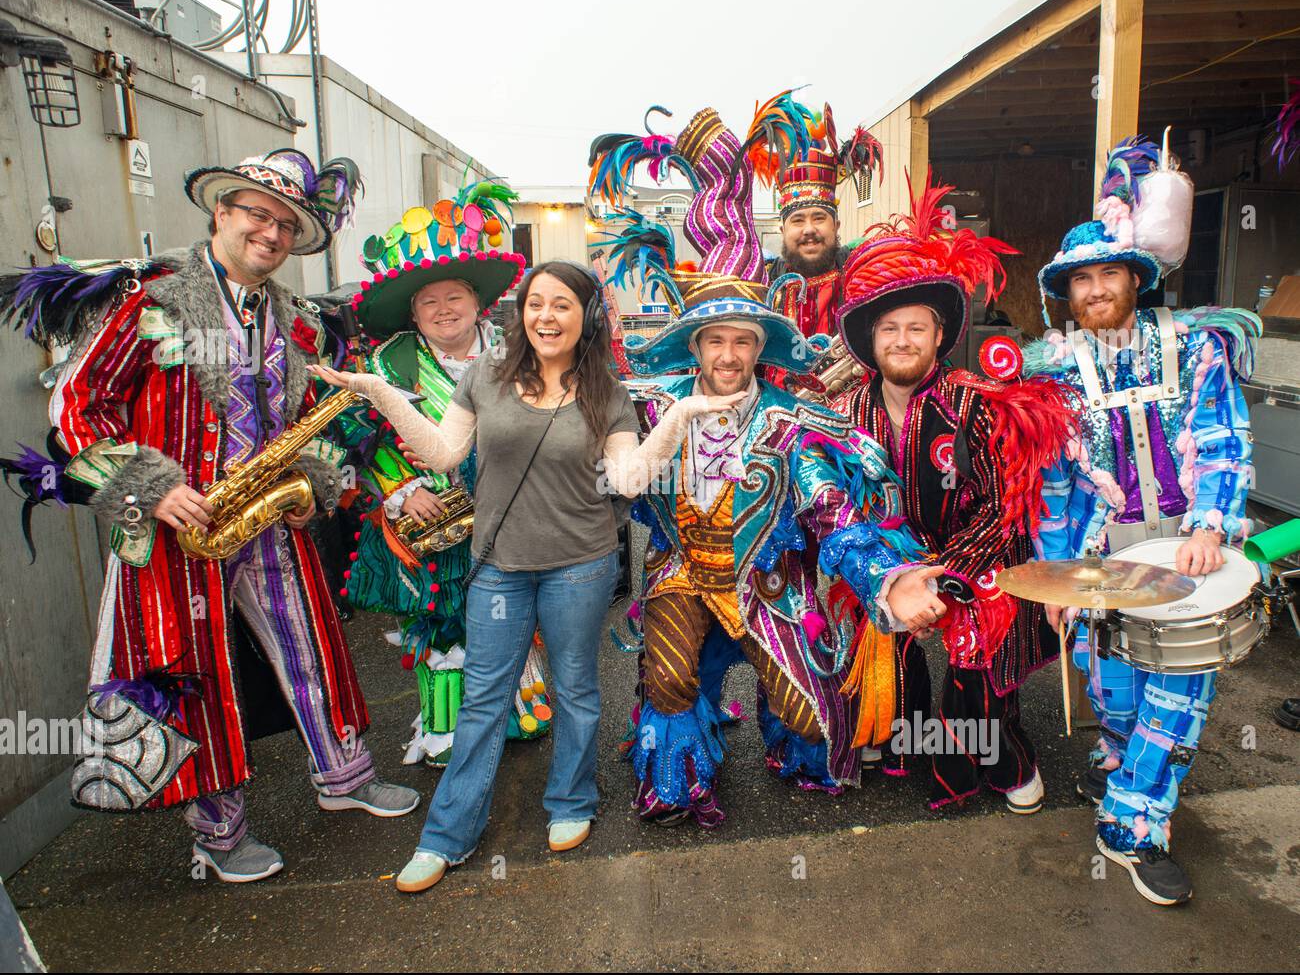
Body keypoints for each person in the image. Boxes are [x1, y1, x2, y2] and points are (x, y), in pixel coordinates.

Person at [0, 149, 419, 884]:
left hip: (268, 513)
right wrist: (152, 488)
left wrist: (312, 483)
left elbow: (311, 421)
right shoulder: (149, 297)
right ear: (221, 210)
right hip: (175, 527)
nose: (271, 232)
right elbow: (75, 403)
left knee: (312, 644)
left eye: (286, 223)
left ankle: (346, 778)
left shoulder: (297, 321)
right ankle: (218, 834)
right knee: (193, 669)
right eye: (257, 213)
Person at [311, 259, 750, 892]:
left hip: (581, 566)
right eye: (537, 303)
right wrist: (378, 393)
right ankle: (445, 835)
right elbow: (442, 453)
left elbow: (626, 481)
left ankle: (571, 801)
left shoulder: (606, 391)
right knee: (483, 700)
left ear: (584, 318)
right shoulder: (486, 379)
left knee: (575, 688)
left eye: (563, 305)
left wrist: (679, 419)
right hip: (498, 569)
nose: (548, 316)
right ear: (520, 314)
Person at [586, 100, 940, 825]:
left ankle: (791, 741)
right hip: (682, 572)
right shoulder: (651, 408)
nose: (727, 355)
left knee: (809, 716)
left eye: (741, 340)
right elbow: (607, 479)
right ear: (693, 347)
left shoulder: (793, 421)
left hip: (769, 581)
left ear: (760, 348)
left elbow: (837, 517)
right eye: (713, 340)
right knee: (672, 681)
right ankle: (680, 777)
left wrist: (886, 582)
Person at [1027, 137, 1260, 905]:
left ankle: (1133, 828)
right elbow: (1056, 484)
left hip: (1189, 552)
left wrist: (1209, 527)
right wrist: (1058, 579)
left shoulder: (1195, 347)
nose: (1096, 289)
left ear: (1135, 278)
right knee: (1118, 698)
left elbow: (1223, 438)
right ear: (1067, 292)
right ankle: (1127, 769)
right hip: (1105, 561)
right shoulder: (1054, 374)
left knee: (1175, 699)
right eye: (1081, 280)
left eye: (1108, 274)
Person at [832, 169, 1077, 814]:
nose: (903, 340)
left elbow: (1008, 505)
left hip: (976, 558)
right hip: (891, 556)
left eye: (916, 328)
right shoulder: (846, 410)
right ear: (871, 342)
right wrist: (891, 578)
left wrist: (948, 580)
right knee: (860, 619)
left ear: (940, 336)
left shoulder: (974, 400)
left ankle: (1001, 759)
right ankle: (899, 739)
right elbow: (843, 508)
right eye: (889, 330)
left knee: (979, 643)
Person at [333, 183, 554, 768]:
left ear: (477, 301)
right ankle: (447, 731)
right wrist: (402, 492)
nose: (442, 310)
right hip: (436, 524)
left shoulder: (517, 353)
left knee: (516, 616)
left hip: (512, 517)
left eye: (453, 296)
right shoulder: (387, 363)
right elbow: (356, 436)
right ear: (412, 312)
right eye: (428, 302)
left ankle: (515, 713)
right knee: (444, 628)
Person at [761, 99, 883, 343]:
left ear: (836, 226)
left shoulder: (864, 278)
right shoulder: (762, 284)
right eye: (797, 220)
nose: (809, 229)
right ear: (782, 229)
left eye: (819, 218)